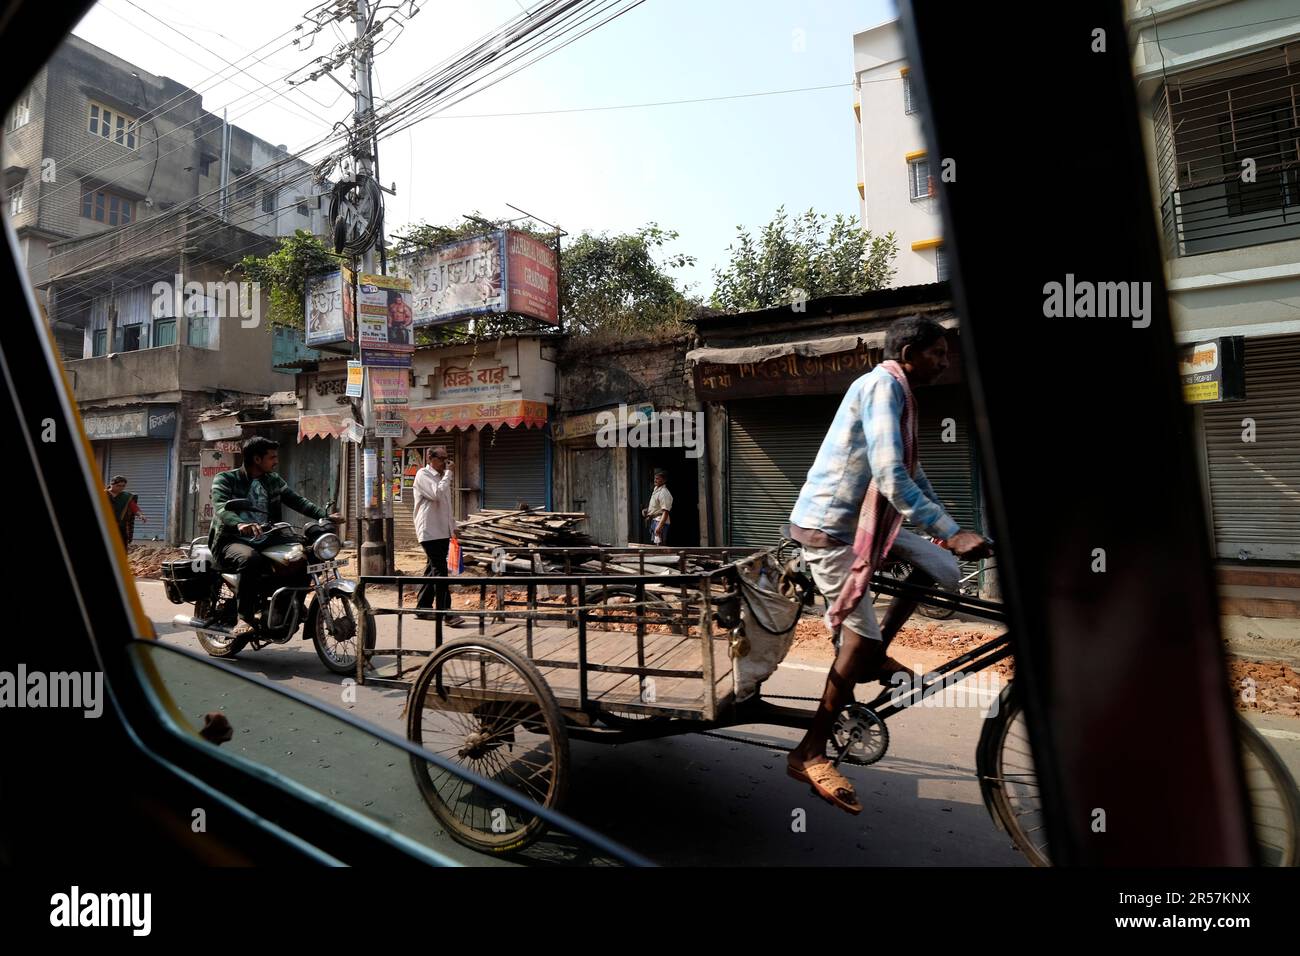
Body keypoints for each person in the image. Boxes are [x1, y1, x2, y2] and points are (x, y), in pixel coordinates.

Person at [784, 315, 991, 814]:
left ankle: (874, 656)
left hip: (864, 524)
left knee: (940, 570)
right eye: (937, 353)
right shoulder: (882, 386)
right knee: (858, 640)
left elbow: (914, 474)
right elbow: (892, 477)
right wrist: (949, 531)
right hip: (830, 527)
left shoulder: (903, 396)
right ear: (907, 353)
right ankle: (808, 751)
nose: (945, 362)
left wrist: (953, 532)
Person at [208, 436, 343, 637]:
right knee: (250, 559)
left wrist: (324, 515)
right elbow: (220, 507)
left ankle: (290, 602)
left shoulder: (273, 480)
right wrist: (240, 523)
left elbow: (297, 500)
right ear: (256, 459)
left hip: (267, 536)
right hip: (231, 540)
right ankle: (244, 617)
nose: (276, 461)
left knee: (307, 553)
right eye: (272, 457)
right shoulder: (226, 479)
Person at [413, 446, 464, 625]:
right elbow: (436, 494)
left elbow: (446, 506)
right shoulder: (423, 475)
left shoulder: (442, 478)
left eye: (446, 458)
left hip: (442, 531)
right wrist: (449, 474)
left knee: (432, 569)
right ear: (430, 459)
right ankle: (446, 613)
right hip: (429, 531)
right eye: (441, 459)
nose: (445, 462)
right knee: (440, 571)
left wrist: (453, 527)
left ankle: (423, 607)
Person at [106, 476, 147, 545]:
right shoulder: (101, 494)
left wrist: (140, 515)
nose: (121, 488)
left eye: (123, 486)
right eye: (118, 486)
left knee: (121, 545)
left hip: (120, 525)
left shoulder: (126, 496)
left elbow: (133, 507)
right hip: (105, 524)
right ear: (111, 484)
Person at [642, 468, 672, 545]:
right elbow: (657, 507)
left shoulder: (664, 493)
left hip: (660, 521)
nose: (655, 480)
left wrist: (659, 526)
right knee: (656, 545)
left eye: (658, 478)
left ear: (664, 480)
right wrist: (648, 510)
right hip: (655, 521)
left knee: (660, 545)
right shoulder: (656, 489)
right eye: (655, 478)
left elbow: (665, 512)